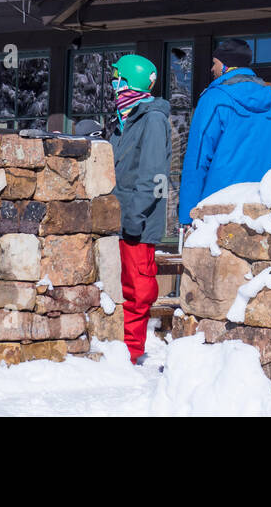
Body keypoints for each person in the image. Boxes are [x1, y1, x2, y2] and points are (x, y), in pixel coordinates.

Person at [176, 38, 271, 225]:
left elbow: (197, 159)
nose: (211, 69)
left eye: (214, 63)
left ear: (225, 65)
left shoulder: (214, 99)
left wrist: (187, 214)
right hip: (264, 209)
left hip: (220, 209)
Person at [109, 53, 171, 365]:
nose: (114, 85)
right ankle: (119, 349)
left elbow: (154, 173)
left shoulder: (152, 120)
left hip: (137, 223)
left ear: (131, 81)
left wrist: (135, 215)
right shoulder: (124, 122)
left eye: (119, 79)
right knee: (119, 289)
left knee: (138, 289)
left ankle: (132, 353)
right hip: (117, 222)